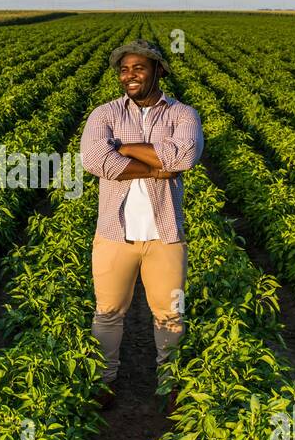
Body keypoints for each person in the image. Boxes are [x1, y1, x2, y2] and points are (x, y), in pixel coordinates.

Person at [79, 38, 204, 410]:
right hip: (114, 234)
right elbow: (95, 159)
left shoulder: (183, 115)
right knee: (107, 313)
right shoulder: (103, 114)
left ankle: (171, 386)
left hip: (164, 235)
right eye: (123, 69)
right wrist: (156, 166)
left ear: (158, 71)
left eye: (138, 68)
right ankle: (104, 381)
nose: (129, 75)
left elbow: (183, 155)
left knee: (170, 314)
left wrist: (125, 147)